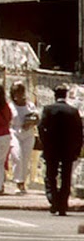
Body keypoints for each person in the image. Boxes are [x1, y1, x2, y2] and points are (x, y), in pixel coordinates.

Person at [36, 86, 82, 216]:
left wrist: (44, 142)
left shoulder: (48, 109)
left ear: (55, 95)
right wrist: (77, 148)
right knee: (66, 176)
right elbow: (79, 131)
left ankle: (53, 199)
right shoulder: (73, 111)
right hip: (68, 149)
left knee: (51, 175)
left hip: (52, 148)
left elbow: (41, 127)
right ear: (66, 95)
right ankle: (63, 204)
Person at [8, 82, 39, 195]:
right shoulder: (10, 106)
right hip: (15, 132)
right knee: (17, 156)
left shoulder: (29, 105)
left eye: (20, 92)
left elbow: (36, 117)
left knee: (25, 158)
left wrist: (30, 122)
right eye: (16, 93)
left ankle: (23, 183)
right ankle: (17, 182)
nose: (18, 96)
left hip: (28, 133)